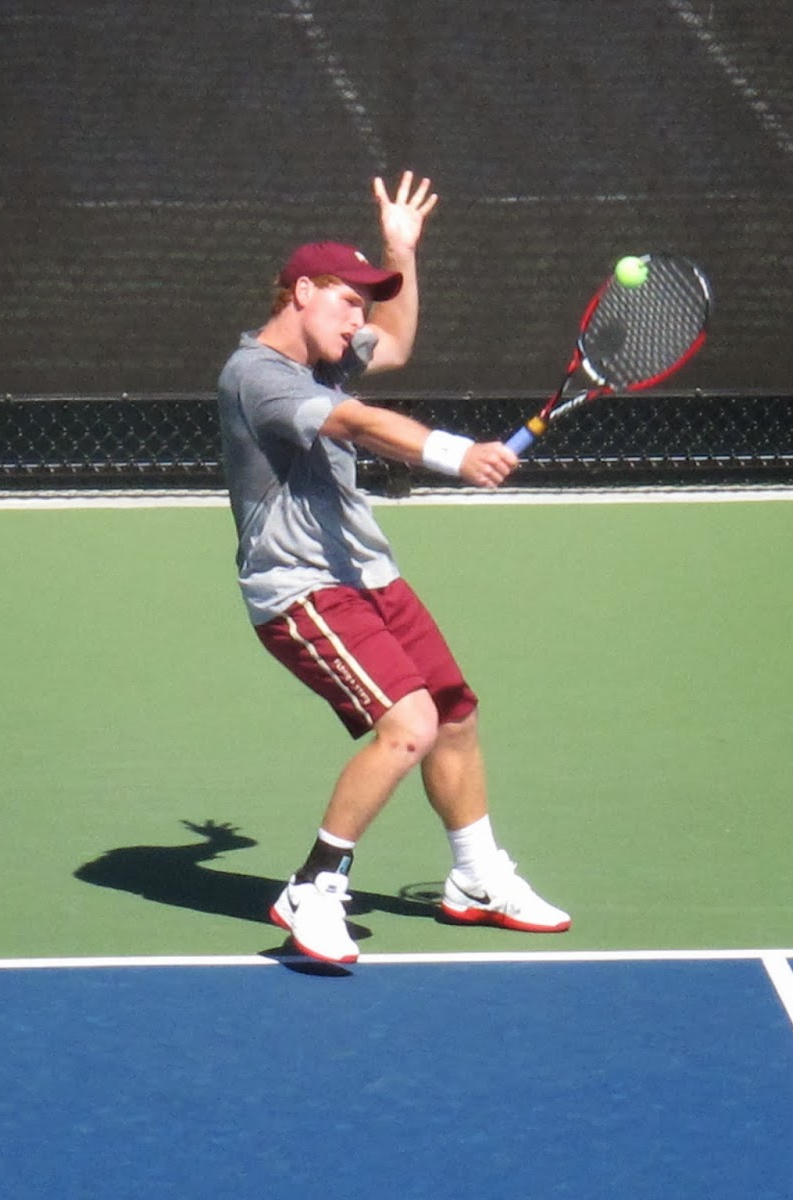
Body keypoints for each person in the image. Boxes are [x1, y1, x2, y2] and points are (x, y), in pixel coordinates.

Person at [215, 171, 570, 964]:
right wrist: (455, 453)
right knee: (408, 726)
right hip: (302, 589)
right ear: (302, 293)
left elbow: (398, 343)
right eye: (350, 302)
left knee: (452, 713)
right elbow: (357, 423)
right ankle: (314, 886)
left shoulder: (327, 356)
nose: (359, 321)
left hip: (368, 574)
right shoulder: (258, 377)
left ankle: (477, 877)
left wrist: (399, 251)